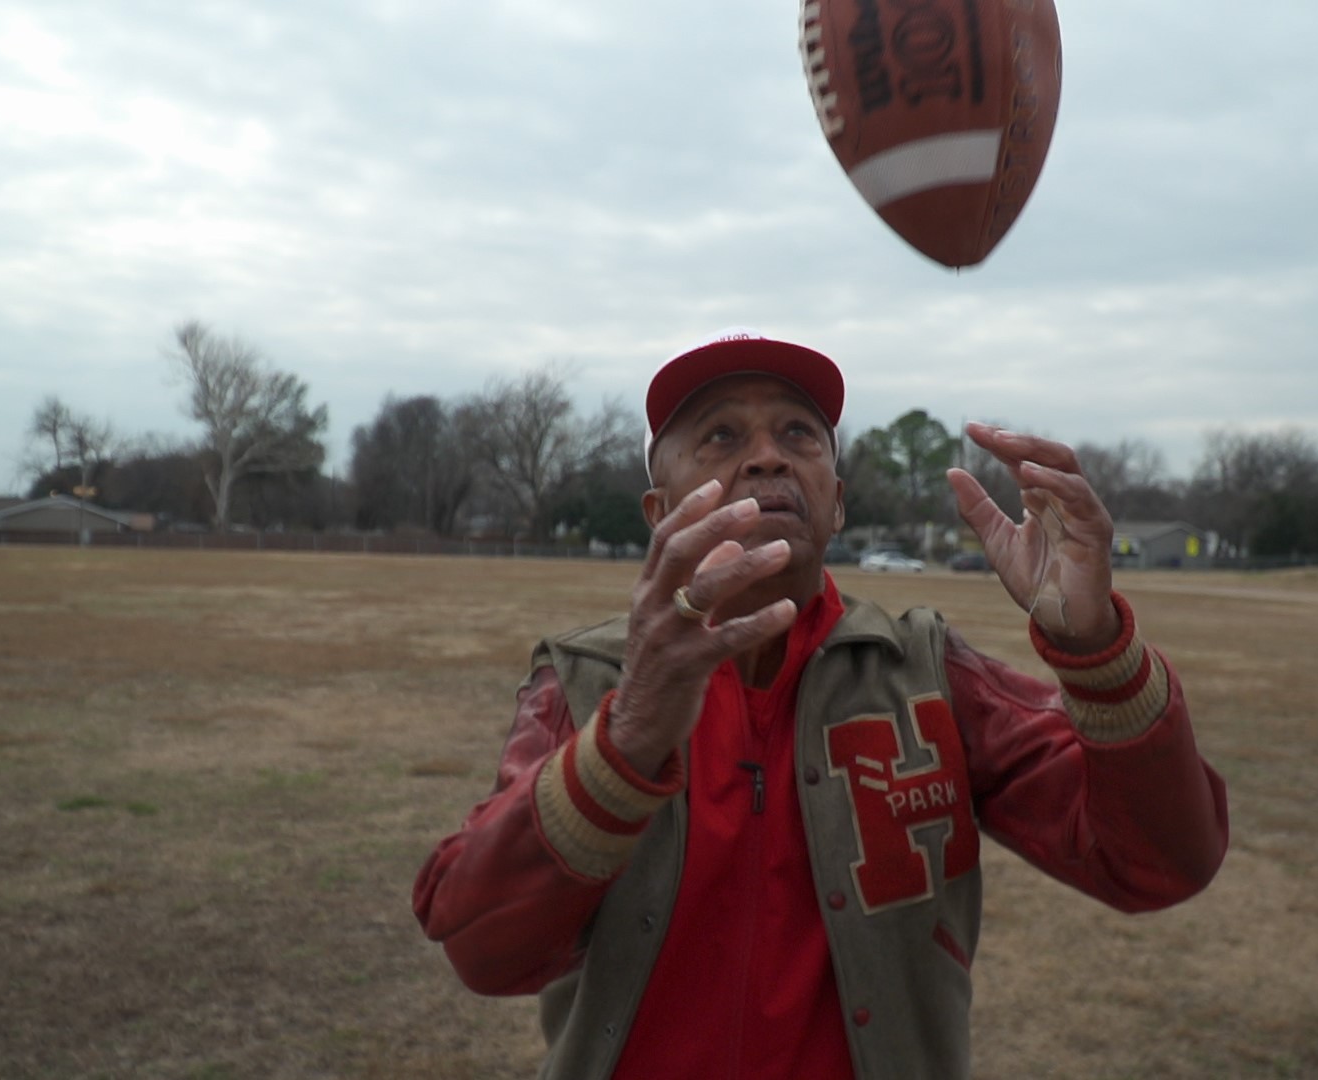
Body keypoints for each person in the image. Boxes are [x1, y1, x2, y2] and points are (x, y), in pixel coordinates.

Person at [412, 329, 1228, 1080]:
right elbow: (481, 948)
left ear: (836, 503)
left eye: (798, 434)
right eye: (723, 436)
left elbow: (1159, 864)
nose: (768, 458)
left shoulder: (926, 672)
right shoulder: (586, 680)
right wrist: (625, 743)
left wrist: (1097, 652)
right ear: (660, 515)